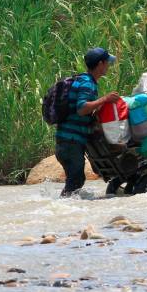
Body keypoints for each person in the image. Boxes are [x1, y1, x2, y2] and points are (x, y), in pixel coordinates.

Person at [55, 47, 120, 197]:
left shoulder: (82, 80)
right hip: (70, 142)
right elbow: (81, 108)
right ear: (100, 64)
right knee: (75, 182)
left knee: (75, 182)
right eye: (107, 63)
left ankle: (62, 208)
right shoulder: (87, 83)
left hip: (65, 141)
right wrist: (105, 99)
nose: (108, 66)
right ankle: (64, 212)